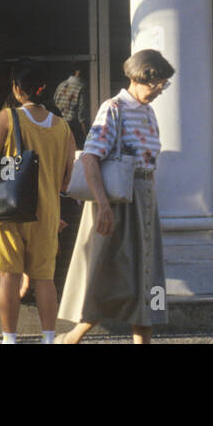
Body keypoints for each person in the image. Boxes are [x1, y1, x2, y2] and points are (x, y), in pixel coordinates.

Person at [58, 49, 174, 344]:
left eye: (163, 84)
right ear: (138, 77)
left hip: (145, 200)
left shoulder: (148, 111)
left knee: (148, 281)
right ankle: (72, 336)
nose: (159, 89)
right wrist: (104, 206)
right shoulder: (113, 108)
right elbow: (89, 158)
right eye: (156, 83)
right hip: (118, 200)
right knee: (109, 278)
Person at [0, 61, 74, 344]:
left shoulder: (7, 118)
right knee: (45, 279)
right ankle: (49, 338)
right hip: (45, 213)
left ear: (17, 89)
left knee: (9, 278)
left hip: (7, 209)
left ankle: (10, 339)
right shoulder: (62, 128)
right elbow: (67, 178)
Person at [53, 67, 89, 147]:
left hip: (58, 127)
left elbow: (55, 104)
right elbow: (82, 117)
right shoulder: (81, 87)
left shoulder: (61, 85)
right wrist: (88, 138)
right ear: (78, 72)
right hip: (73, 129)